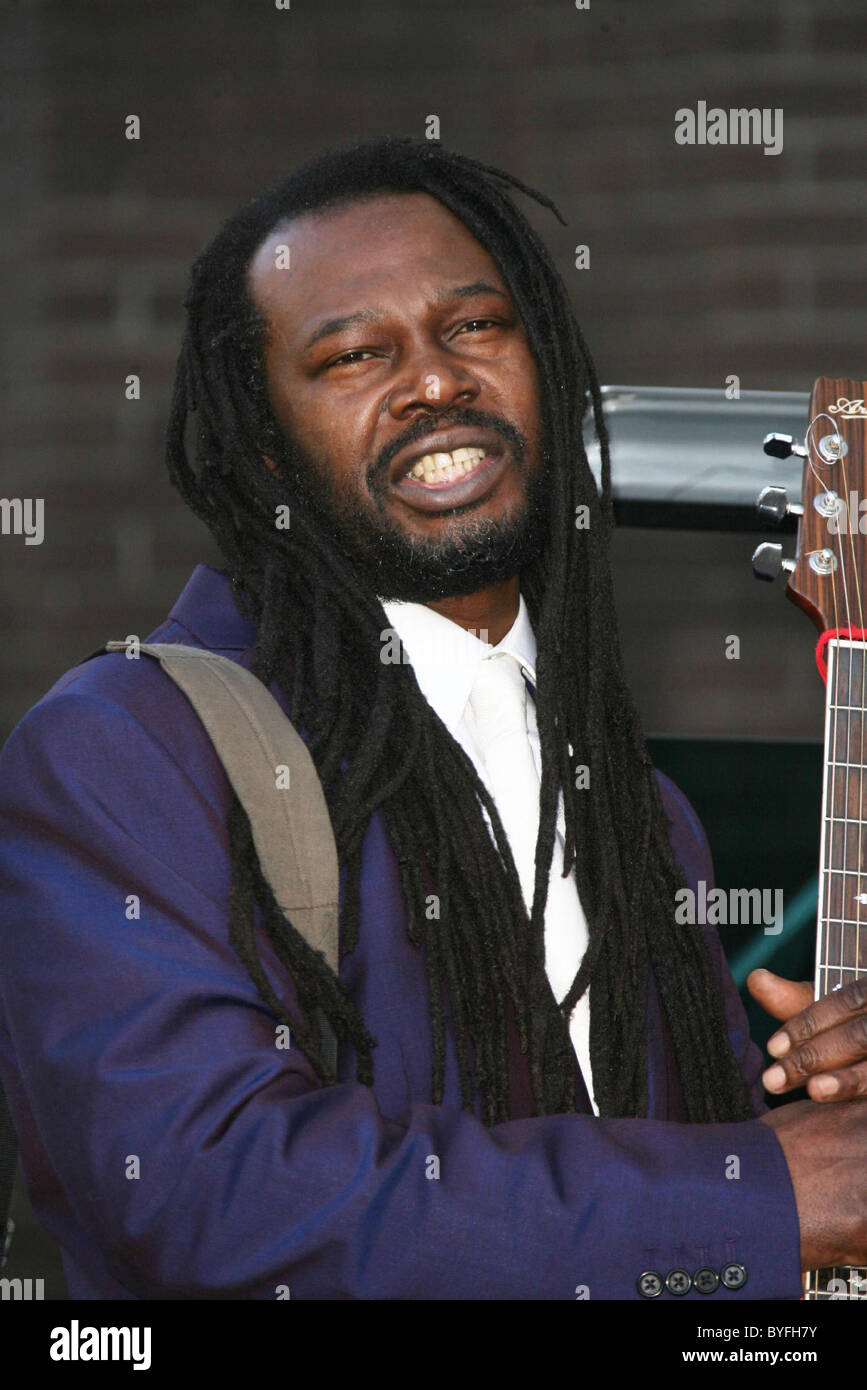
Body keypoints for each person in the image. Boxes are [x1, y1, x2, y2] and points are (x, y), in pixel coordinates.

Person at [1, 136, 865, 1301]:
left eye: (475, 326)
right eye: (355, 353)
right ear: (266, 445)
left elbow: (665, 1202)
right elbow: (214, 1197)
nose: (436, 379)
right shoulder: (129, 751)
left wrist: (810, 1109)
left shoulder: (640, 813)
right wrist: (759, 1193)